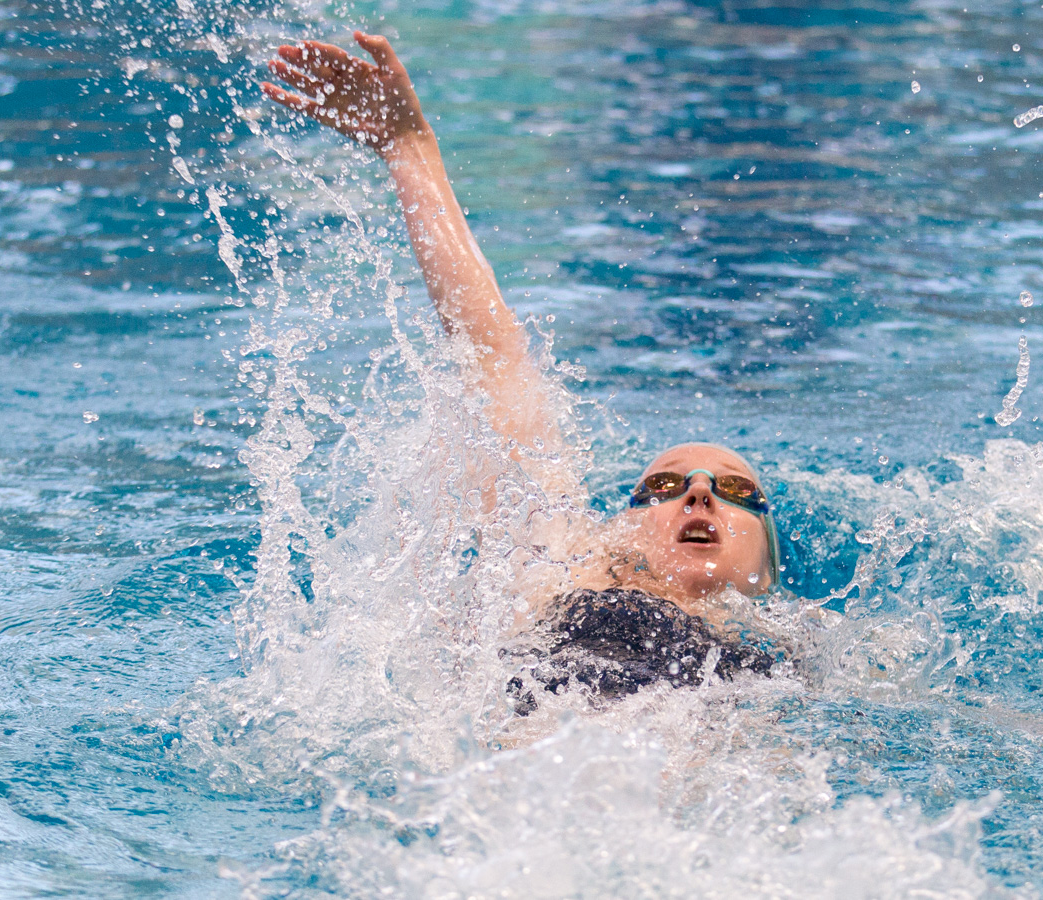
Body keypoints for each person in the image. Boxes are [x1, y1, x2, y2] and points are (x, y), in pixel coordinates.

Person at [260, 33, 787, 707]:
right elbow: (495, 359)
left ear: (768, 568)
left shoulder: (812, 647)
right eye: (662, 485)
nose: (700, 495)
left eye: (736, 492)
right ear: (617, 531)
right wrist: (409, 153)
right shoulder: (570, 563)